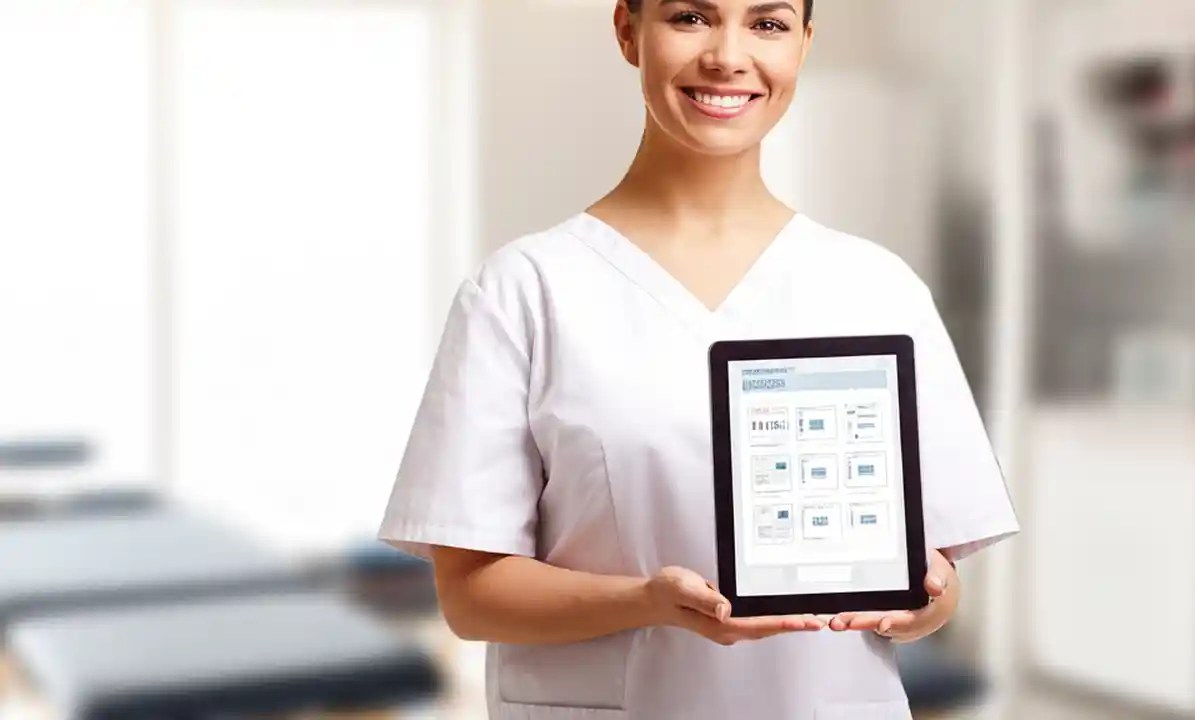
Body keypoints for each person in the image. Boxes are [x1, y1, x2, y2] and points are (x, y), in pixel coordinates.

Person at [378, 0, 1019, 717]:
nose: (727, 55)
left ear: (804, 44)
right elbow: (471, 597)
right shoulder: (526, 289)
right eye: (690, 17)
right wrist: (646, 602)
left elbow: (942, 580)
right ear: (628, 29)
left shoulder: (879, 286)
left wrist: (924, 605)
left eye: (767, 24)